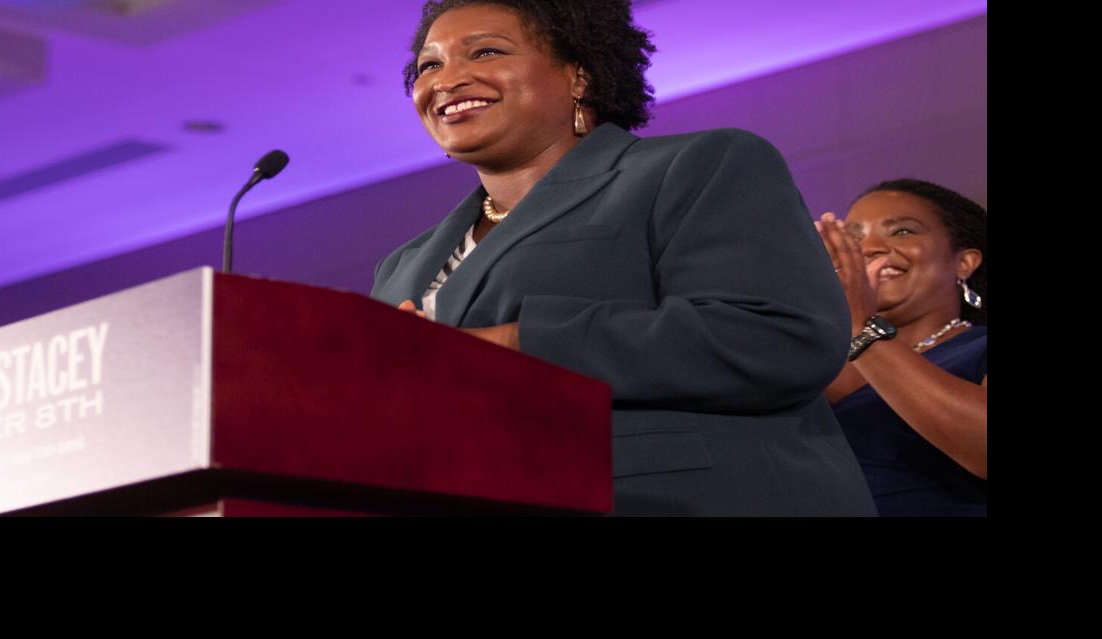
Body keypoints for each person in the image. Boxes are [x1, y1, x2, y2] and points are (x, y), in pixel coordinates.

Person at [372, 0, 875, 515]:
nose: (448, 79)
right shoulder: (402, 267)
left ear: (579, 76)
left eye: (485, 51)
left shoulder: (697, 166)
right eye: (429, 65)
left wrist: (510, 343)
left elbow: (777, 337)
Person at [814, 179, 987, 516]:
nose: (869, 247)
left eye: (902, 232)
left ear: (964, 262)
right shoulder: (819, 367)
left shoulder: (978, 346)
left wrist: (861, 332)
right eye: (854, 237)